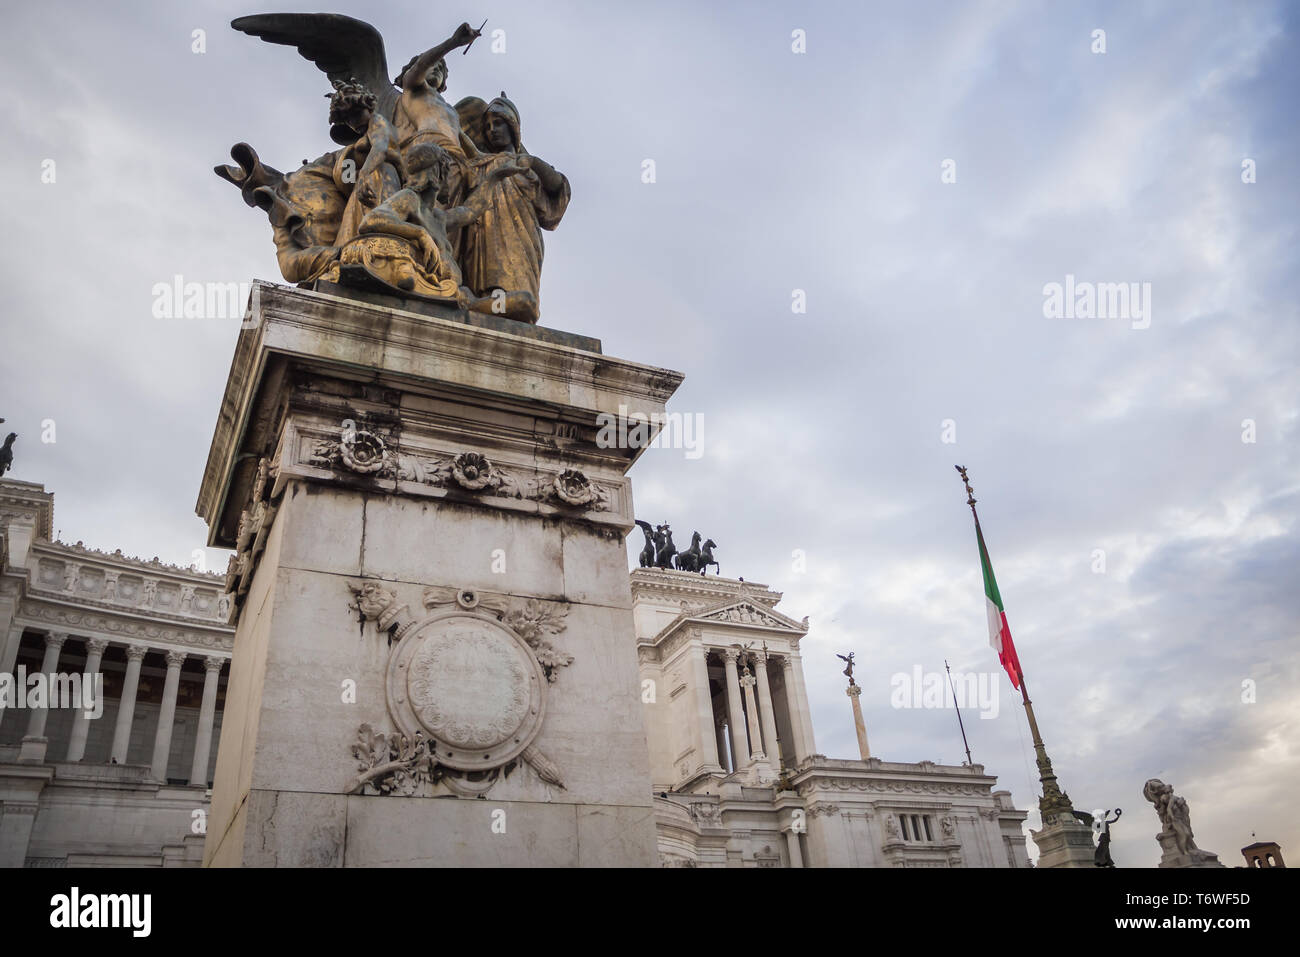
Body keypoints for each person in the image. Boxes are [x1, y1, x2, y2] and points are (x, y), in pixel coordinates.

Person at [459, 94, 570, 323]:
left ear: (513, 126)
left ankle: (487, 305)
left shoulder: (526, 167)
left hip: (521, 238)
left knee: (525, 300)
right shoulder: (481, 164)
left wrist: (532, 162)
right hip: (484, 236)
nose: (492, 130)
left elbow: (558, 187)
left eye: (498, 123)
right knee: (495, 290)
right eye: (488, 126)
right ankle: (483, 304)